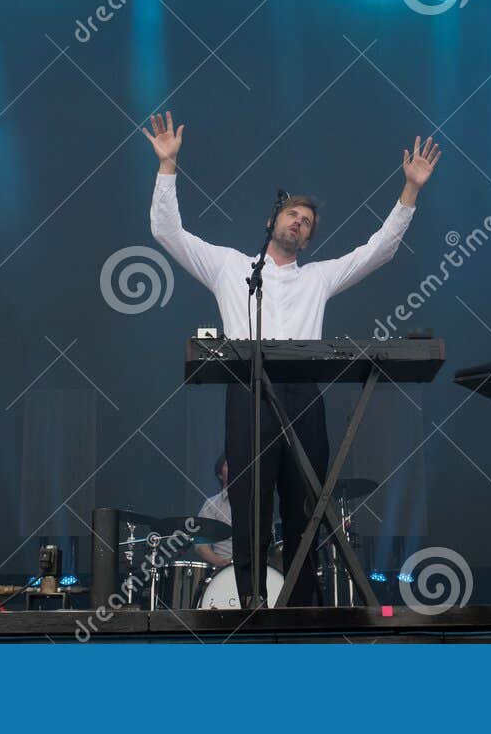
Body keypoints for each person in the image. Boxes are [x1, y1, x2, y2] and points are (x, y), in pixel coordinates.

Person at [144, 112, 440, 605]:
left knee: (306, 509)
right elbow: (166, 231)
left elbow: (378, 251)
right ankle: (252, 609)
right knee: (250, 509)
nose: (298, 224)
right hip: (248, 394)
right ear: (271, 222)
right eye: (292, 216)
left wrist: (410, 191)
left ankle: (306, 609)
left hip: (304, 396)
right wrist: (168, 165)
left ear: (308, 238)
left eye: (306, 223)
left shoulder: (318, 278)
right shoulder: (229, 266)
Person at [193, 455, 233, 568]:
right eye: (228, 464)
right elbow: (200, 543)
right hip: (223, 570)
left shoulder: (255, 501)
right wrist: (219, 561)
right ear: (220, 474)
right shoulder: (212, 504)